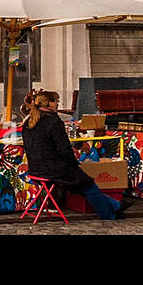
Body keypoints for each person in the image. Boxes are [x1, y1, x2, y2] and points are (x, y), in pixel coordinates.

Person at [21, 89, 123, 219]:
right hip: (53, 169)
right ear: (50, 104)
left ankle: (115, 205)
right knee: (88, 184)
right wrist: (74, 164)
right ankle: (108, 213)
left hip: (35, 168)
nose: (58, 104)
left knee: (80, 182)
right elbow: (64, 149)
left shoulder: (29, 122)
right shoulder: (53, 122)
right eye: (56, 101)